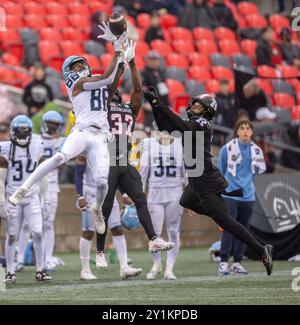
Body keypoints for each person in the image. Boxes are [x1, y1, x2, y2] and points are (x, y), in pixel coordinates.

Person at [8, 23, 126, 239]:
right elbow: (107, 78)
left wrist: (124, 54)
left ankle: (98, 209)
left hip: (100, 136)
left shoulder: (97, 80)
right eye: (76, 66)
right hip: (81, 131)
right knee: (60, 156)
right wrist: (116, 48)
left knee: (102, 182)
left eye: (82, 64)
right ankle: (23, 188)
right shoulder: (76, 82)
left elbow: (115, 78)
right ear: (68, 73)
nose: (81, 67)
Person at [143, 88, 274, 276]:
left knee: (227, 223)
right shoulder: (194, 123)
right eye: (194, 105)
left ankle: (262, 250)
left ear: (207, 112)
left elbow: (180, 125)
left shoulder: (201, 123)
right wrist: (154, 104)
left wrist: (158, 104)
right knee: (186, 201)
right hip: (197, 179)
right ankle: (217, 210)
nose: (194, 108)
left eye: (198, 106)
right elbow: (166, 127)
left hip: (205, 181)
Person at [96, 39, 175, 258]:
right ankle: (100, 251)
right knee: (106, 205)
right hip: (109, 159)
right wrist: (120, 68)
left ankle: (154, 239)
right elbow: (110, 88)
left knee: (141, 198)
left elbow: (140, 88)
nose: (118, 98)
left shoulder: (130, 109)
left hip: (124, 160)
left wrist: (132, 63)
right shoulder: (105, 106)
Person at [0, 115, 51, 283]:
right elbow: (0, 178)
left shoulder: (37, 147)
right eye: (19, 132)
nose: (22, 135)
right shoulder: (6, 149)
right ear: (13, 132)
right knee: (12, 235)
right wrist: (2, 202)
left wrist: (47, 199)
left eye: (25, 132)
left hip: (32, 197)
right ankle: (10, 271)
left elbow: (43, 175)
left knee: (37, 232)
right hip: (13, 198)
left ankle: (40, 269)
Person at [75, 156, 143, 280]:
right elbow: (78, 173)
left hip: (109, 194)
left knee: (117, 228)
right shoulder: (86, 145)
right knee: (88, 232)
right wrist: (80, 195)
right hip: (90, 195)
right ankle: (85, 270)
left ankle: (124, 268)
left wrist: (124, 193)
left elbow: (114, 175)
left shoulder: (110, 148)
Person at [16, 111, 65, 272]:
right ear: (44, 123)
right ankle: (20, 259)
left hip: (51, 186)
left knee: (48, 224)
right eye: (49, 123)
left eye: (54, 124)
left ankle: (48, 258)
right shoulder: (35, 139)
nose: (52, 126)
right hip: (34, 184)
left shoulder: (62, 141)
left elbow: (63, 164)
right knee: (25, 224)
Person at [217, 119, 266, 275]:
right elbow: (220, 171)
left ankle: (237, 262)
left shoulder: (257, 151)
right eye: (242, 128)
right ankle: (223, 262)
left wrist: (247, 188)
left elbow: (255, 173)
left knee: (244, 231)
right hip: (230, 195)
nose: (245, 131)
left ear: (251, 132)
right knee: (229, 229)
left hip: (248, 197)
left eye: (248, 128)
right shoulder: (227, 149)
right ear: (237, 131)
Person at [140, 132, 186, 280]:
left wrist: (192, 199)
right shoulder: (149, 145)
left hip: (175, 194)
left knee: (173, 231)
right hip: (155, 194)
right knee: (154, 234)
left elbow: (187, 174)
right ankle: (157, 264)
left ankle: (169, 269)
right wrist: (137, 195)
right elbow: (142, 174)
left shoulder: (180, 145)